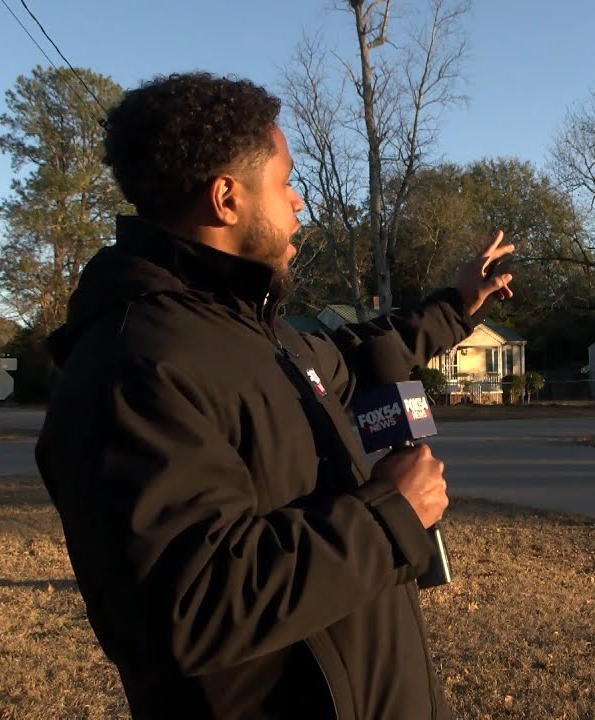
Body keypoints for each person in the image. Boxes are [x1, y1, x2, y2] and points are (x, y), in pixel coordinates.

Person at [35, 71, 514, 719]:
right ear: (226, 198)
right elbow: (189, 607)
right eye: (286, 183)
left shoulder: (260, 335)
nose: (299, 205)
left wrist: (459, 305)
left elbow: (357, 352)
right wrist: (391, 516)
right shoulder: (132, 368)